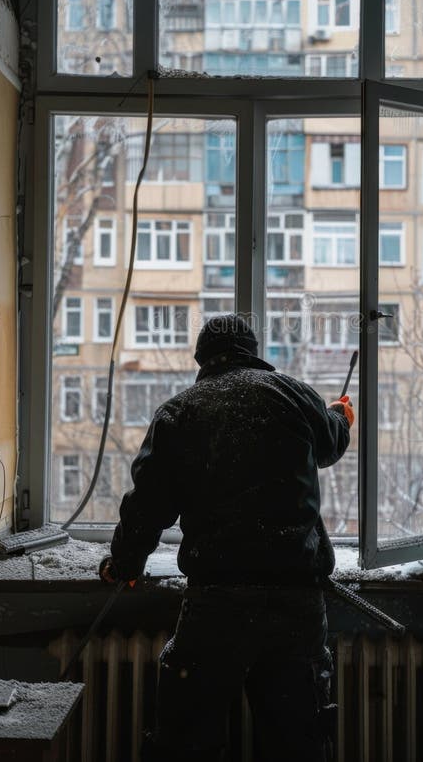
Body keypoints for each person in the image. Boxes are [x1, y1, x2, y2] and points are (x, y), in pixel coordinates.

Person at [100, 313, 354, 762]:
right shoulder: (292, 393)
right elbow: (330, 444)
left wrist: (123, 566)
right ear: (253, 353)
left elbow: (147, 507)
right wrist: (340, 415)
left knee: (185, 742)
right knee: (297, 743)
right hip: (294, 603)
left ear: (201, 358)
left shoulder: (180, 412)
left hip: (217, 604)